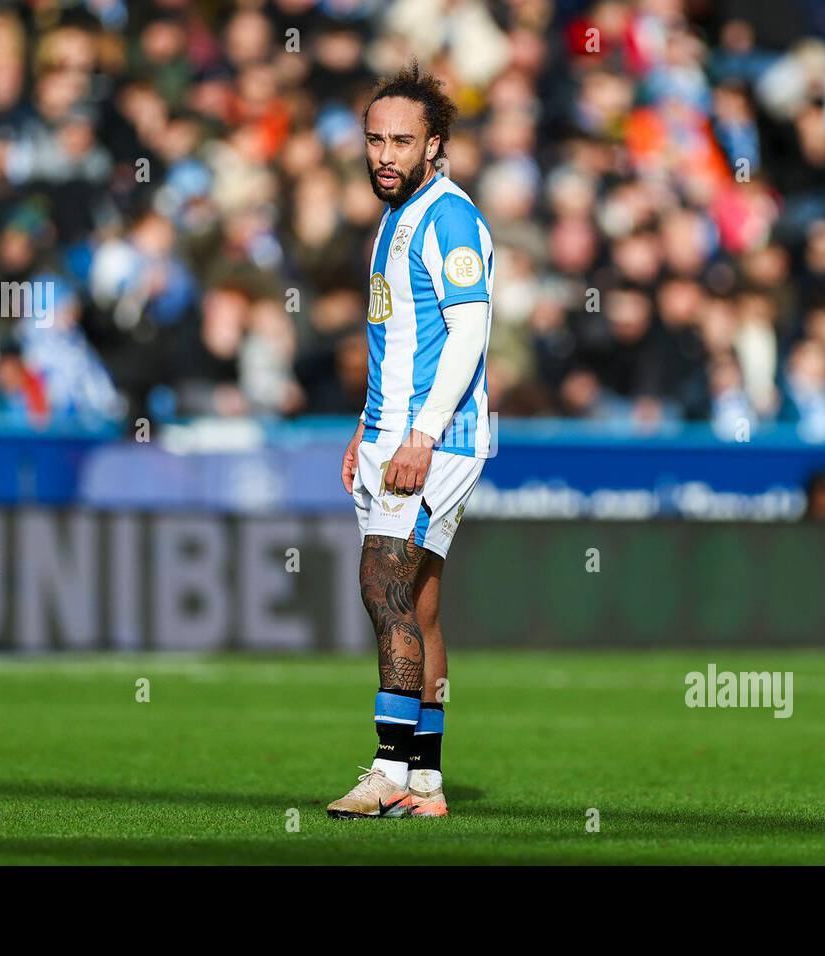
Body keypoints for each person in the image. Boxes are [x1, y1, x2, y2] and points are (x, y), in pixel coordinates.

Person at [326, 63, 494, 819]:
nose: (384, 154)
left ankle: (388, 767)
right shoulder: (399, 214)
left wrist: (419, 436)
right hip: (399, 432)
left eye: (401, 140)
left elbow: (469, 331)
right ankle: (425, 783)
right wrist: (368, 426)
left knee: (381, 584)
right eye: (374, 139)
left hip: (436, 439)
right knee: (419, 607)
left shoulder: (448, 216)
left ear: (435, 144)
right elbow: (399, 339)